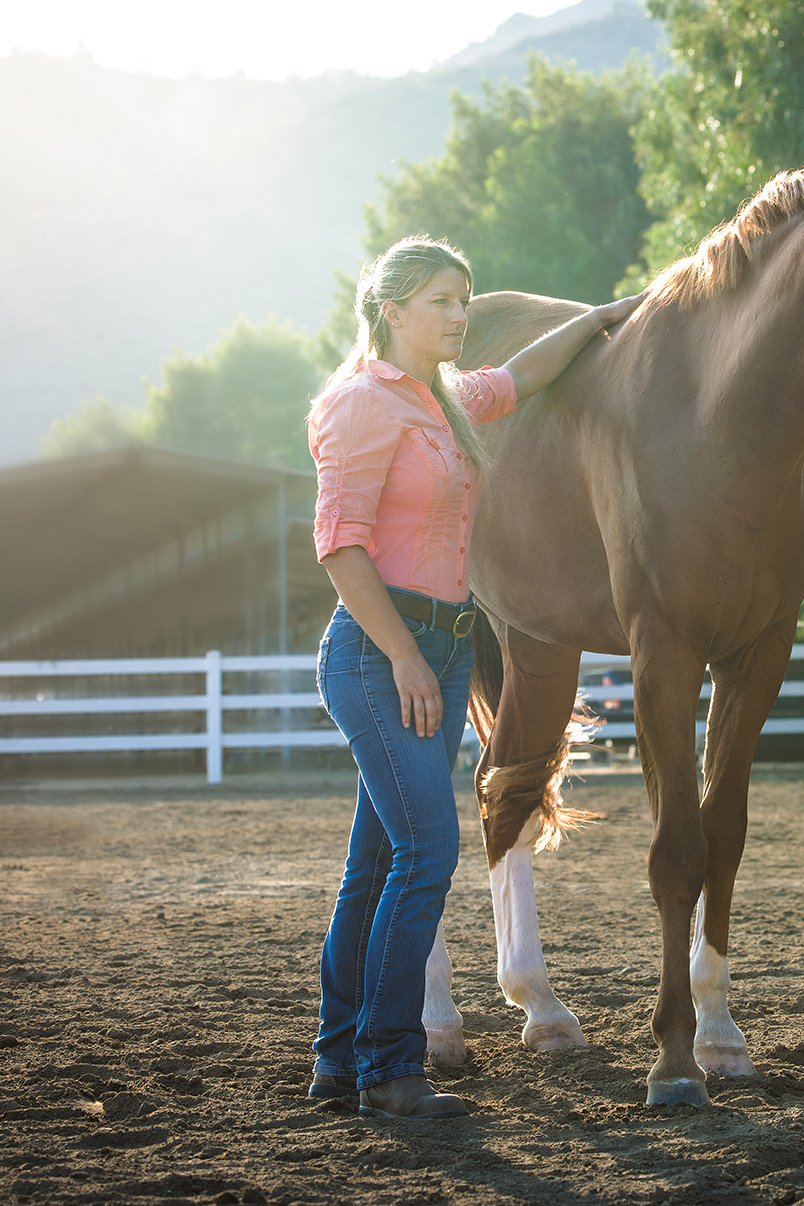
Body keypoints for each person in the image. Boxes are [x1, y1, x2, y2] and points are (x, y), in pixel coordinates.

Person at [306, 235, 634, 1118]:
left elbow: (517, 380)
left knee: (373, 865)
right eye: (444, 302)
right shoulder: (359, 403)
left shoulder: (444, 399)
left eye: (466, 298)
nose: (461, 316)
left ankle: (338, 1061)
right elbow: (338, 543)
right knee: (428, 853)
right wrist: (406, 655)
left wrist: (600, 319)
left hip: (443, 650)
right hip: (385, 653)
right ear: (394, 310)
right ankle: (390, 1068)